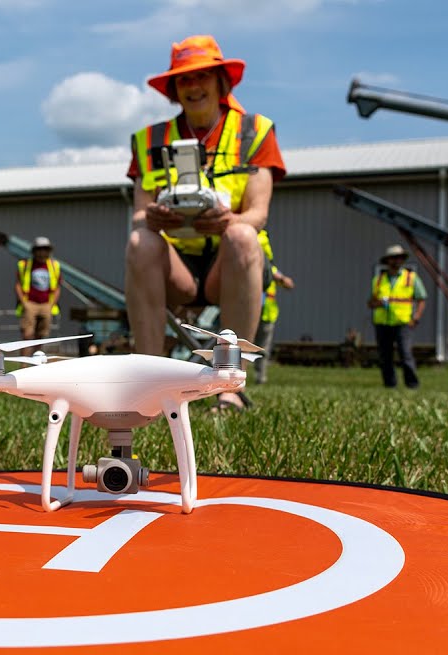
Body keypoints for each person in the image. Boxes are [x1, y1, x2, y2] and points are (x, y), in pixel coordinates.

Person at [125, 34, 286, 411]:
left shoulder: (255, 131)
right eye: (184, 79)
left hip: (229, 263)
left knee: (244, 236)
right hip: (177, 266)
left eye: (202, 77)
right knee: (139, 240)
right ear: (174, 89)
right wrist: (152, 217)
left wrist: (228, 221)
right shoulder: (150, 139)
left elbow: (258, 215)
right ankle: (150, 382)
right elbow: (138, 212)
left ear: (220, 81)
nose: (193, 87)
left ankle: (229, 385)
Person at [368, 244, 426, 389]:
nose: (396, 261)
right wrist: (378, 303)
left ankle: (412, 384)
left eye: (399, 258)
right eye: (393, 258)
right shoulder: (379, 279)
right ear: (387, 261)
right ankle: (389, 384)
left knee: (405, 354)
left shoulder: (411, 278)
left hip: (403, 322)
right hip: (382, 322)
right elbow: (370, 302)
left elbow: (421, 298)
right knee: (385, 356)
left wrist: (416, 317)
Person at [252, 229, 294, 384]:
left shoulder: (272, 270)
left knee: (262, 348)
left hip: (267, 313)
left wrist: (283, 280)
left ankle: (260, 377)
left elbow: (287, 283)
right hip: (251, 312)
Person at [14, 236, 62, 340]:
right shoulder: (25, 265)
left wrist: (51, 304)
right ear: (34, 251)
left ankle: (37, 356)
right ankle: (25, 357)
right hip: (30, 303)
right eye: (39, 250)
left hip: (46, 304)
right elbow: (18, 285)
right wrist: (24, 303)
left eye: (45, 250)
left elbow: (57, 287)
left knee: (41, 335)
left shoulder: (54, 266)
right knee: (27, 335)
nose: (42, 253)